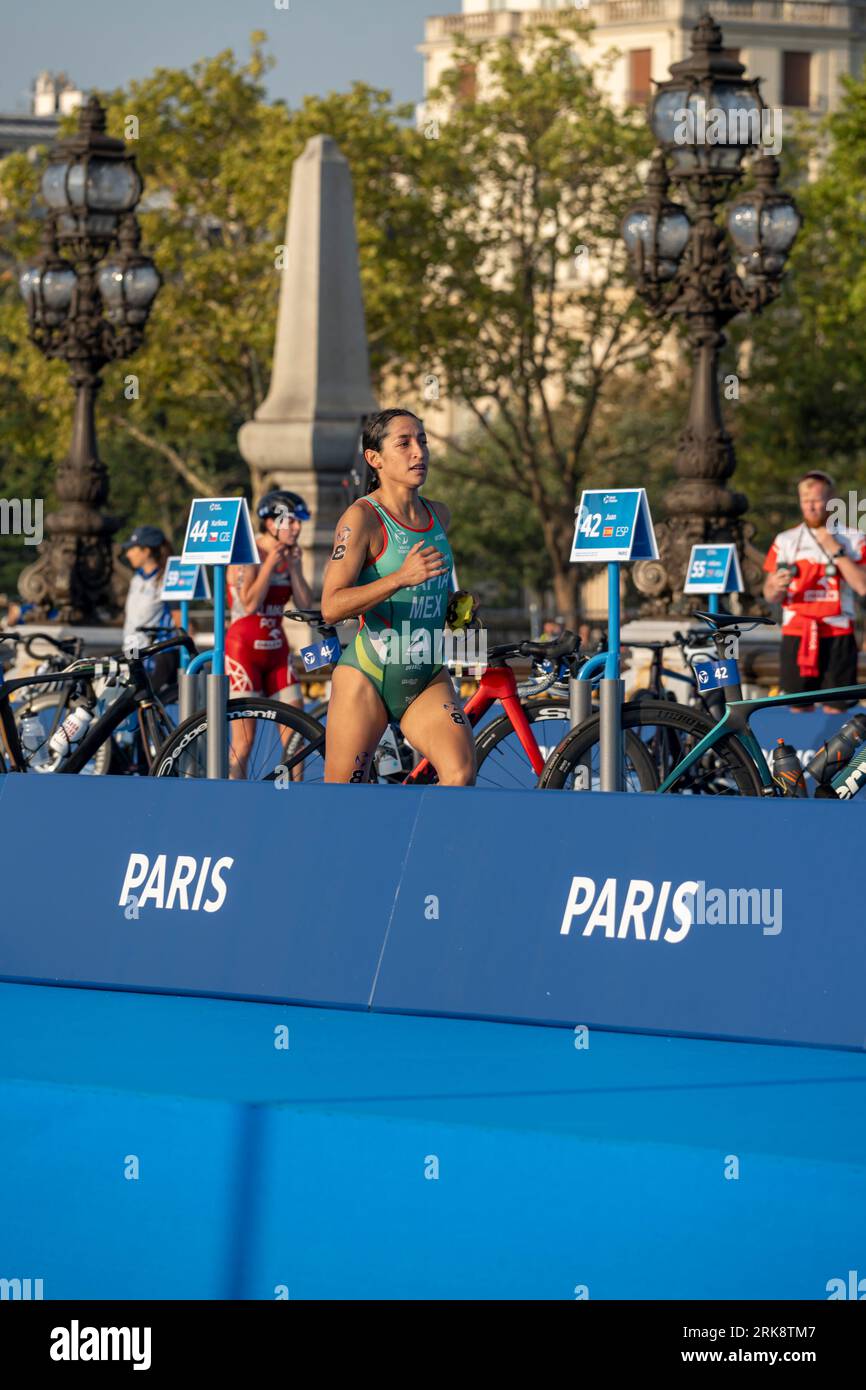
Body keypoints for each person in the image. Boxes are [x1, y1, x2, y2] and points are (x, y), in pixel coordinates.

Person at [321, 408, 475, 786]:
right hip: (368, 675)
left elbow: (431, 588)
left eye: (422, 440)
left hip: (425, 673)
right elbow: (331, 606)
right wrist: (400, 578)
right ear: (374, 459)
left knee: (460, 774)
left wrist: (453, 606)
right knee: (343, 800)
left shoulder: (440, 514)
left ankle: (424, 847)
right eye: (403, 444)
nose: (418, 452)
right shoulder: (362, 518)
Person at [225, 490, 313, 777]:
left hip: (276, 649)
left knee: (296, 735)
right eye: (293, 522)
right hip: (243, 650)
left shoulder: (290, 555)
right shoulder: (250, 552)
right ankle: (231, 799)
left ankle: (297, 797)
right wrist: (268, 567)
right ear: (271, 523)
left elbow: (304, 604)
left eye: (300, 522)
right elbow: (248, 603)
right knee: (244, 740)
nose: (298, 528)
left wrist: (296, 568)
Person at [763, 471, 866, 712]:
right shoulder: (786, 540)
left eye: (817, 500)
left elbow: (862, 586)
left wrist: (835, 550)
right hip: (797, 632)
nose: (810, 506)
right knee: (797, 707)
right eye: (805, 500)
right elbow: (769, 593)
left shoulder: (853, 538)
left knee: (837, 708)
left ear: (831, 500)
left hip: (837, 631)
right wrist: (776, 586)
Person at [121, 525, 181, 690]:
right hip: (133, 651)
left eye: (132, 549)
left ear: (146, 551)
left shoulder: (167, 579)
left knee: (147, 704)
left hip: (157, 655)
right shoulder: (137, 578)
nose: (128, 554)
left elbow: (180, 619)